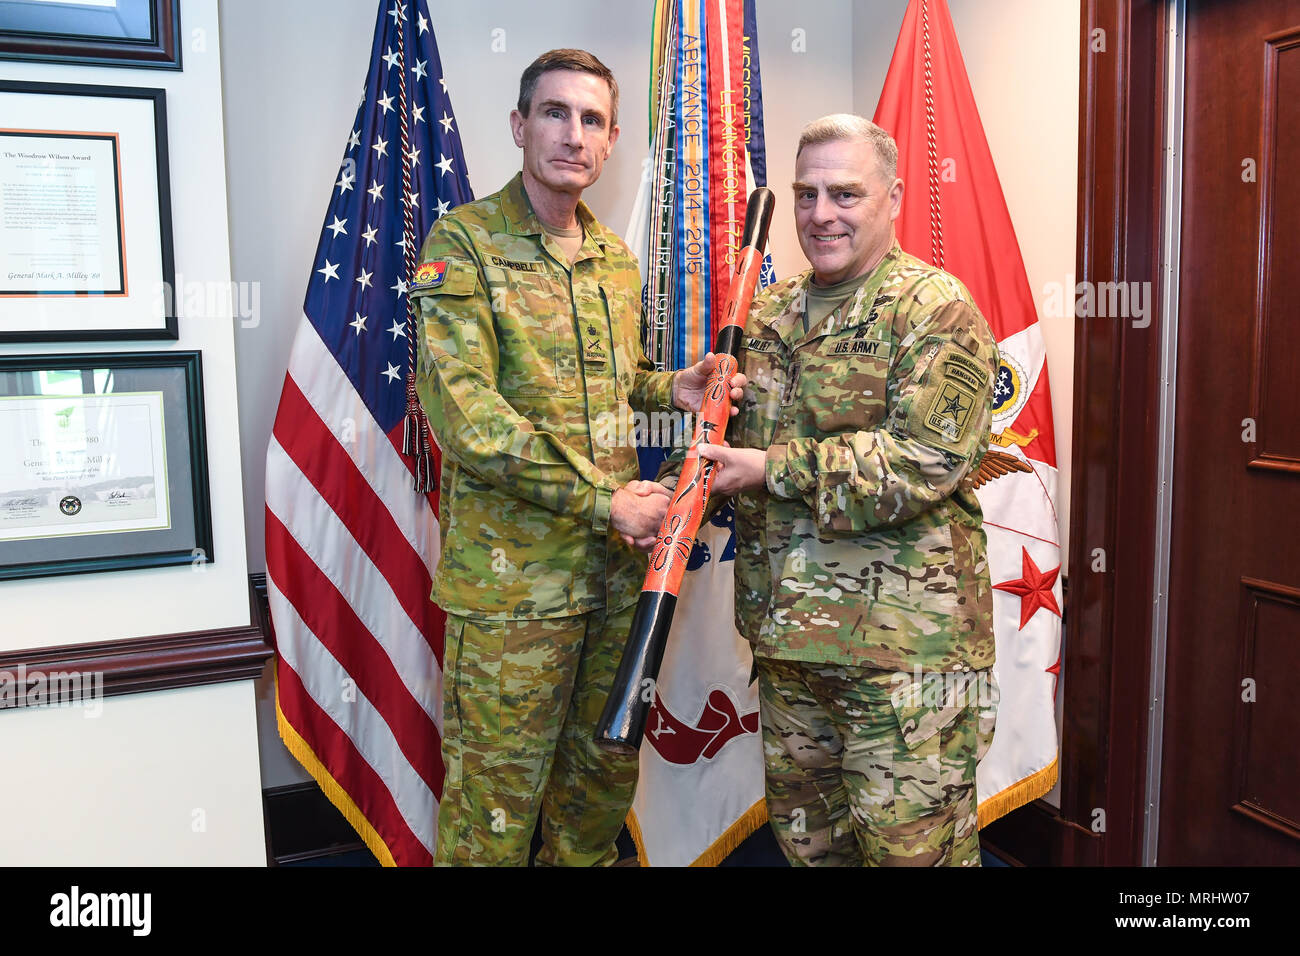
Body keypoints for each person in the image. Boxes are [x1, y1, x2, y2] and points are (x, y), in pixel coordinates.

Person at [410, 49, 742, 867]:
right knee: (492, 819)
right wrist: (606, 501)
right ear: (521, 126)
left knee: (595, 799)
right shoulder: (467, 245)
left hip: (614, 584)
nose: (573, 134)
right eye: (555, 113)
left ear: (612, 139)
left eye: (592, 120)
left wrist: (677, 388)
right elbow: (468, 419)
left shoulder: (613, 262)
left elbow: (613, 380)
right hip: (514, 594)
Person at [695, 114, 1000, 866]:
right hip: (793, 655)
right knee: (811, 854)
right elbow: (732, 447)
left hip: (904, 669)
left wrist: (770, 469)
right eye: (806, 194)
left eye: (845, 193)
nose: (820, 214)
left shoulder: (936, 311)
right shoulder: (767, 315)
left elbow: (923, 459)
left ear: (892, 198)